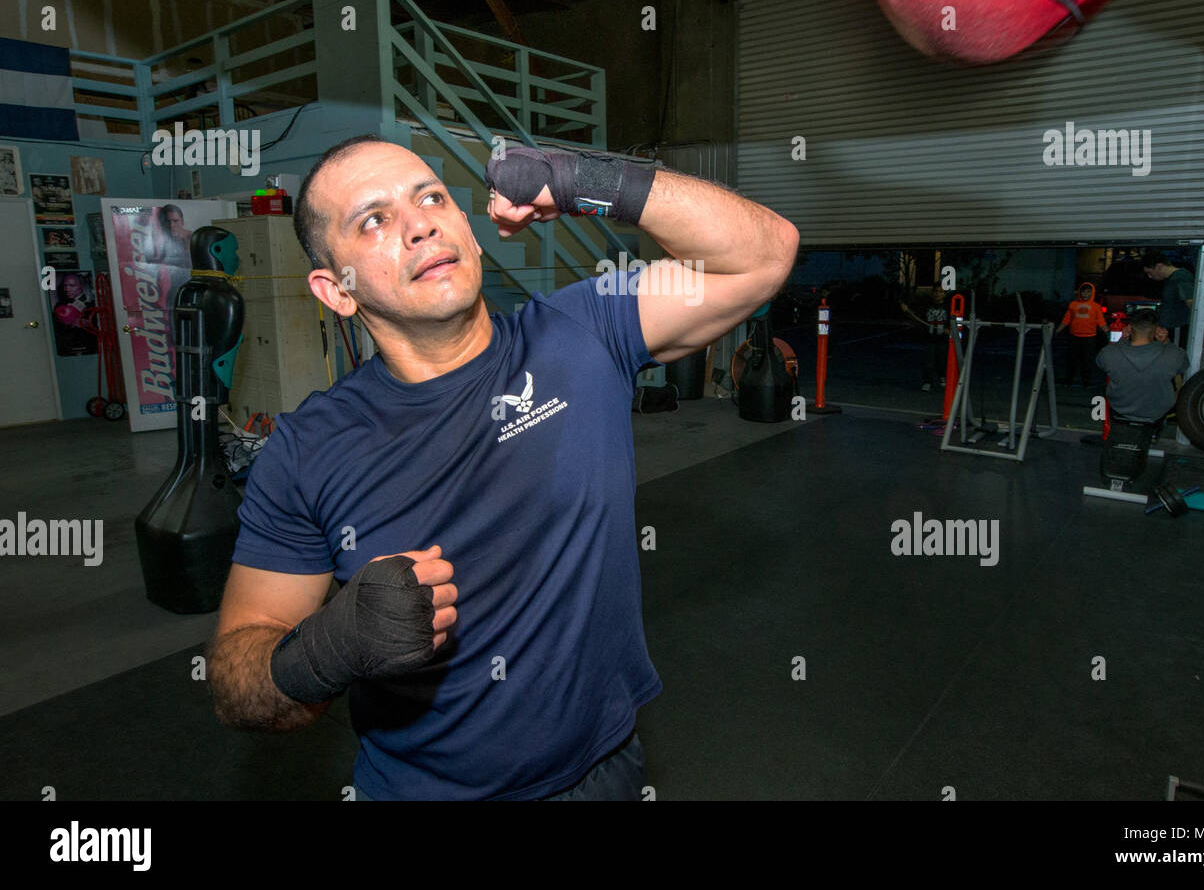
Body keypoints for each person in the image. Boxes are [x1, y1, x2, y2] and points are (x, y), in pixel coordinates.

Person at [206, 135, 800, 800]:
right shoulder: (307, 449)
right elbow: (234, 686)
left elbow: (765, 252)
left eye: (431, 197)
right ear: (335, 291)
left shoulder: (582, 332)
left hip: (603, 775)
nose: (419, 224)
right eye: (373, 220)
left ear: (471, 231)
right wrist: (328, 649)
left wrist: (583, 178)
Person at [1095, 308, 1188, 424]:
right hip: (1159, 411)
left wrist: (1122, 340)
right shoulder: (1173, 354)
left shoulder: (1109, 353)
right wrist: (1165, 343)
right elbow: (1184, 364)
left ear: (1129, 328)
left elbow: (1100, 363)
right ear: (1156, 330)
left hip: (1119, 407)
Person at [1055, 282, 1109, 389]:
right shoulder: (1073, 305)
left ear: (1092, 293)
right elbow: (1067, 319)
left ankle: (1086, 382)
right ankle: (1068, 380)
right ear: (1080, 292)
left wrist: (1107, 331)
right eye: (1083, 292)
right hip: (1074, 336)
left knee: (1087, 361)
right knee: (1071, 359)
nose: (1085, 294)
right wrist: (1057, 330)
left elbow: (1101, 321)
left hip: (1090, 337)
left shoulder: (1096, 307)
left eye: (1088, 292)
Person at [900, 283, 949, 391]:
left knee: (942, 361)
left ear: (945, 294)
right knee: (928, 362)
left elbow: (954, 321)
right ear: (932, 293)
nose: (937, 294)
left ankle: (942, 377)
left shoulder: (948, 307)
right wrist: (907, 310)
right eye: (935, 291)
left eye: (941, 291)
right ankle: (927, 382)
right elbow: (917, 317)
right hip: (929, 339)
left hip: (943, 340)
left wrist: (950, 330)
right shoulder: (926, 306)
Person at [1141, 251, 1195, 348]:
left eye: (1149, 272)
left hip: (1177, 330)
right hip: (1172, 329)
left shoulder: (1180, 278)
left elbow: (1191, 302)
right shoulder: (1173, 279)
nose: (1149, 276)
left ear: (1159, 266)